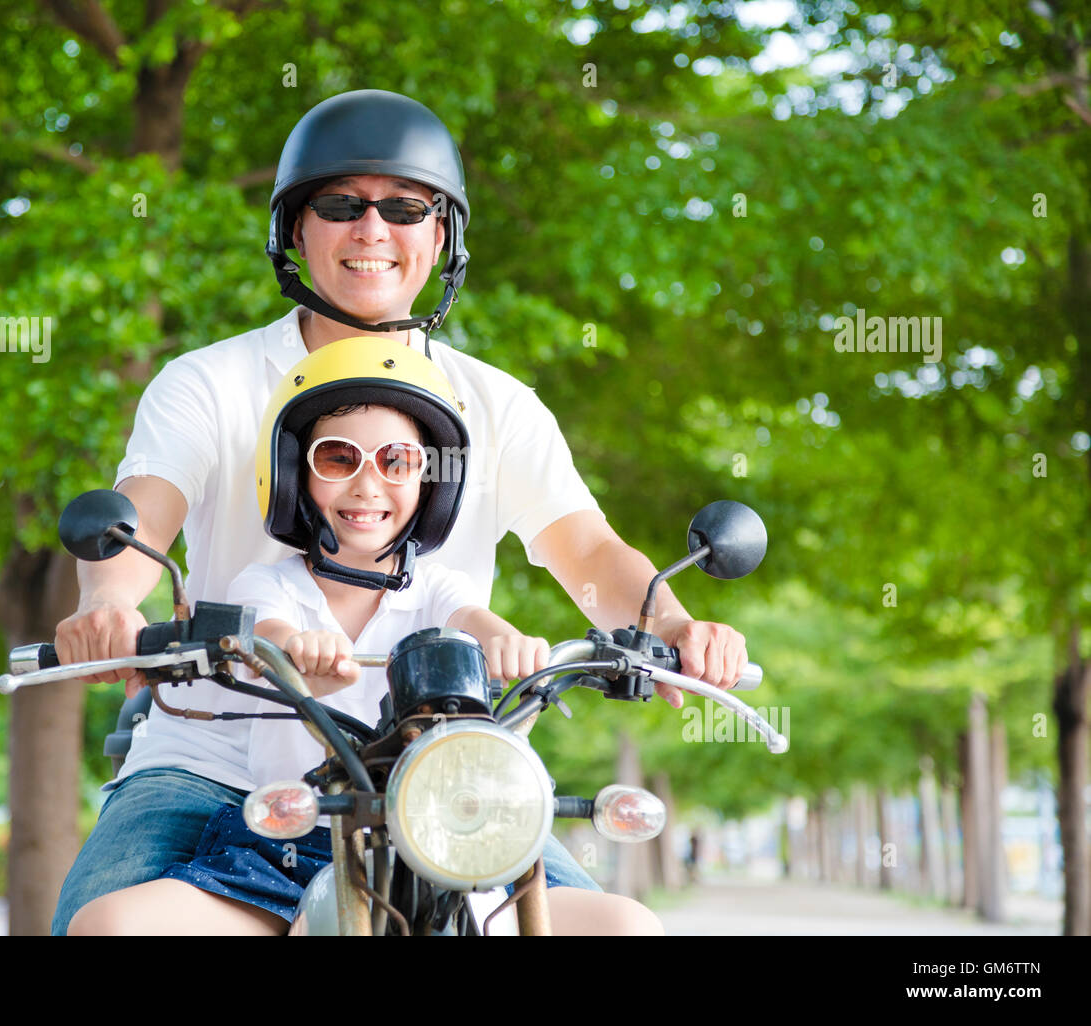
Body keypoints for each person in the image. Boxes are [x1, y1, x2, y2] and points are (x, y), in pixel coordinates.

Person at [53, 89, 747, 936]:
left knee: (625, 928)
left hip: (445, 775)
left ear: (442, 234)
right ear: (295, 232)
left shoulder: (499, 405)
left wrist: (670, 623)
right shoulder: (210, 382)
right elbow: (141, 516)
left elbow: (589, 551)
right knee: (107, 928)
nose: (372, 229)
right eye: (340, 204)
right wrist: (108, 605)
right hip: (217, 761)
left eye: (405, 207)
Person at [73, 337, 582, 933]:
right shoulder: (266, 582)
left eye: (397, 463)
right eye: (337, 459)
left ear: (432, 483)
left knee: (625, 923)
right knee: (109, 923)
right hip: (285, 840)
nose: (368, 485)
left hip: (441, 834)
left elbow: (470, 617)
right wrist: (289, 646)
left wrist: (505, 640)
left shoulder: (437, 587)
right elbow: (261, 627)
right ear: (293, 477)